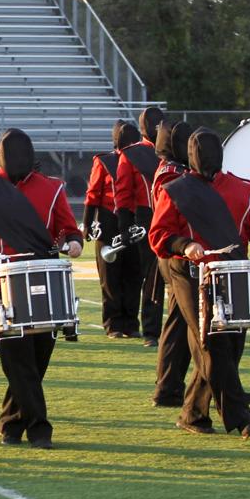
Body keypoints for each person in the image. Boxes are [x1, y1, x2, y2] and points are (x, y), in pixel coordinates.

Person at [0, 129, 83, 449]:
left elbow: (68, 227)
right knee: (17, 358)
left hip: (45, 279)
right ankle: (40, 427)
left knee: (36, 361)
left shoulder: (52, 189)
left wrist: (74, 241)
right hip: (4, 281)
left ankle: (11, 423)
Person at [148, 129, 250, 439]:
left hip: (234, 272)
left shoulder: (243, 190)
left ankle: (193, 413)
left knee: (231, 346)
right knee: (211, 342)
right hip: (191, 273)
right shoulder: (175, 190)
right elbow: (159, 235)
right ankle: (240, 418)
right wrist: (185, 245)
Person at [150, 119, 194, 407]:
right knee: (184, 323)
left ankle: (171, 388)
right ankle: (169, 389)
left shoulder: (173, 170)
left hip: (177, 251)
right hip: (176, 252)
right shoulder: (171, 174)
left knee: (181, 323)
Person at [85, 120, 143, 338]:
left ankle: (130, 322)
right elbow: (93, 194)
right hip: (109, 222)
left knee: (133, 273)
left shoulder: (141, 160)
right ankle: (113, 324)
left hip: (133, 221)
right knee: (111, 276)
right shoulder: (104, 161)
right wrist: (88, 223)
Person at [115, 106, 165, 346]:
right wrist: (125, 225)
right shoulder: (133, 153)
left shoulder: (171, 150)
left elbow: (123, 194)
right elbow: (123, 194)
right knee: (153, 276)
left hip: (161, 216)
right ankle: (152, 330)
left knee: (159, 276)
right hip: (149, 218)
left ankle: (155, 332)